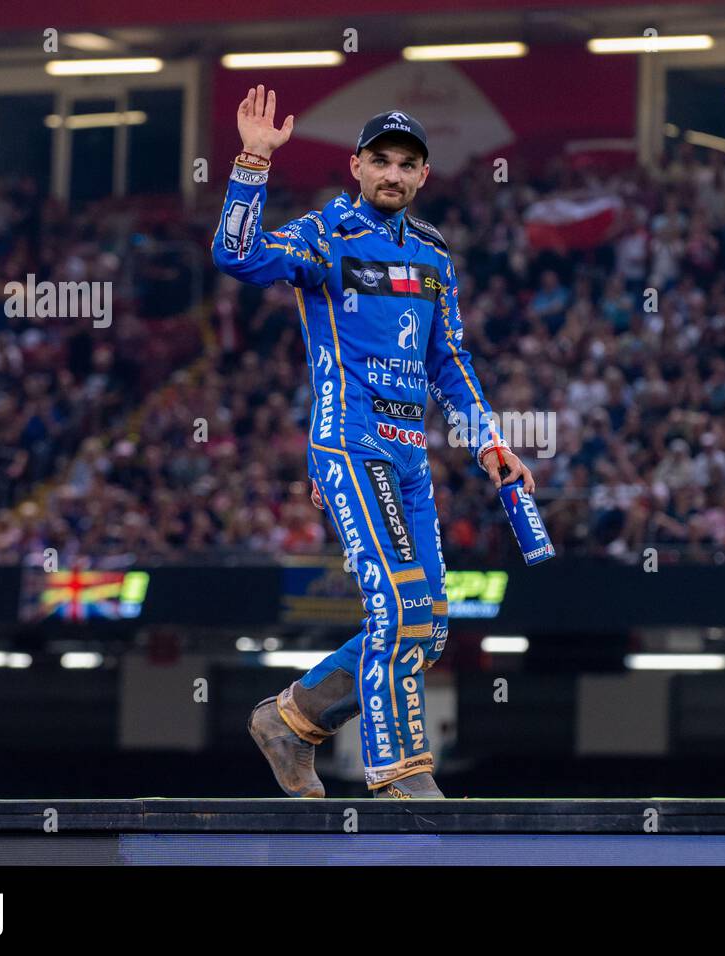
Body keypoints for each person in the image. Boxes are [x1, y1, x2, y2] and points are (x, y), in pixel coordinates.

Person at [212, 88, 534, 798]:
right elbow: (236, 256)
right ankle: (400, 776)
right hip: (349, 446)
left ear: (424, 177)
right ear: (356, 166)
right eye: (380, 160)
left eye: (406, 164)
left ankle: (291, 721)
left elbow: (449, 360)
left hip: (410, 457)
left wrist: (489, 443)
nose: (392, 173)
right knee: (397, 609)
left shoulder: (433, 254)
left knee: (430, 627)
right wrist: (253, 163)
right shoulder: (324, 235)